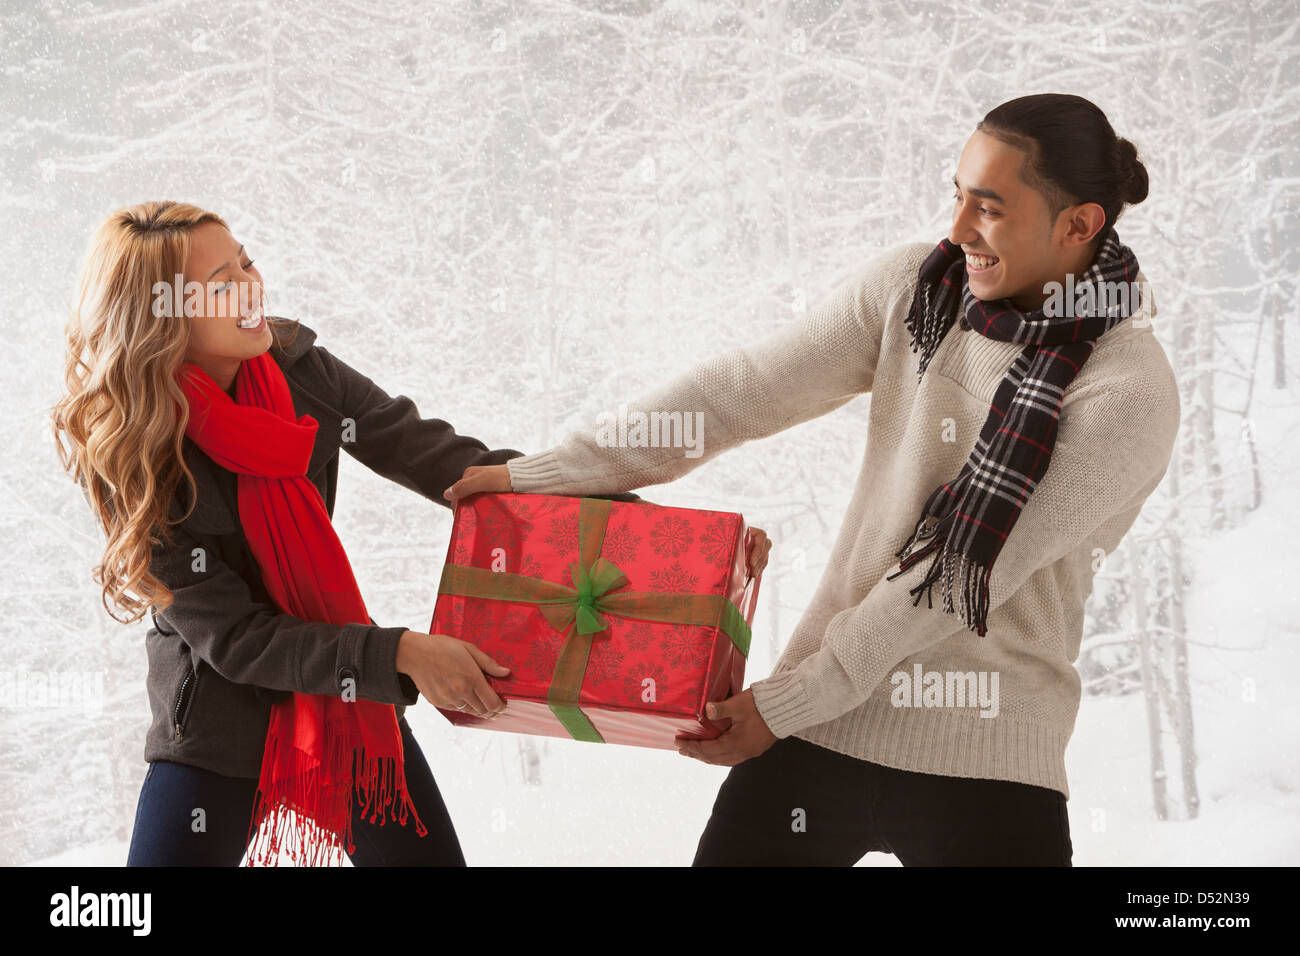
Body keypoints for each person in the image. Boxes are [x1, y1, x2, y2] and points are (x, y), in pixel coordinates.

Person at [445, 93, 1182, 866]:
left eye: (990, 209)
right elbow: (741, 392)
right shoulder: (920, 290)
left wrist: (790, 700)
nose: (960, 227)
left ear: (1080, 224)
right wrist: (547, 473)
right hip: (815, 733)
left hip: (986, 761)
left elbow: (962, 571)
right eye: (957, 194)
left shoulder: (1125, 393)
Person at [52, 201, 525, 866]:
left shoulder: (302, 372)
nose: (250, 286)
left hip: (346, 703)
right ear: (163, 315)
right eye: (221, 284)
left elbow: (438, 457)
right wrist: (402, 655)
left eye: (245, 261)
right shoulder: (135, 453)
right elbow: (238, 639)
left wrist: (604, 493)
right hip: (220, 729)